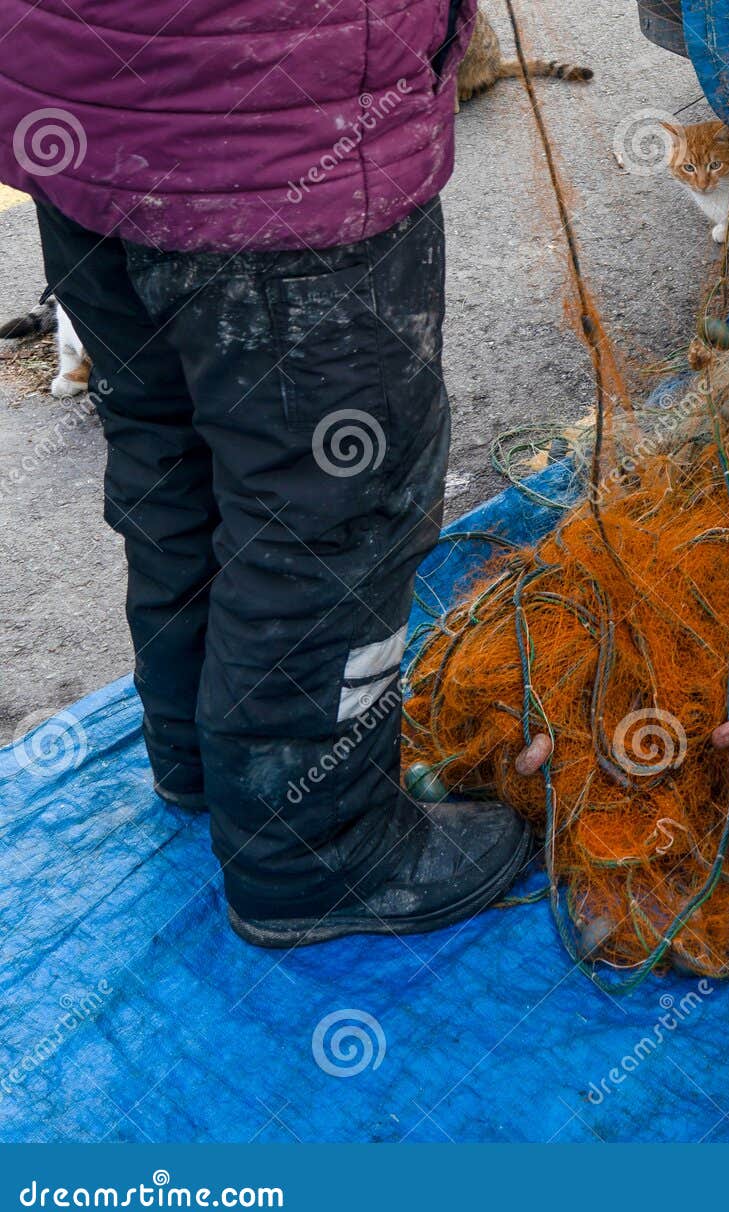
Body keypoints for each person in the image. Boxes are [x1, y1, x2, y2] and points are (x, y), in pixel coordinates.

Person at [0, 0, 532, 946]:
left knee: (176, 450)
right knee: (332, 511)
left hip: (89, 113)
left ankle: (200, 757)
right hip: (280, 140)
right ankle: (314, 847)